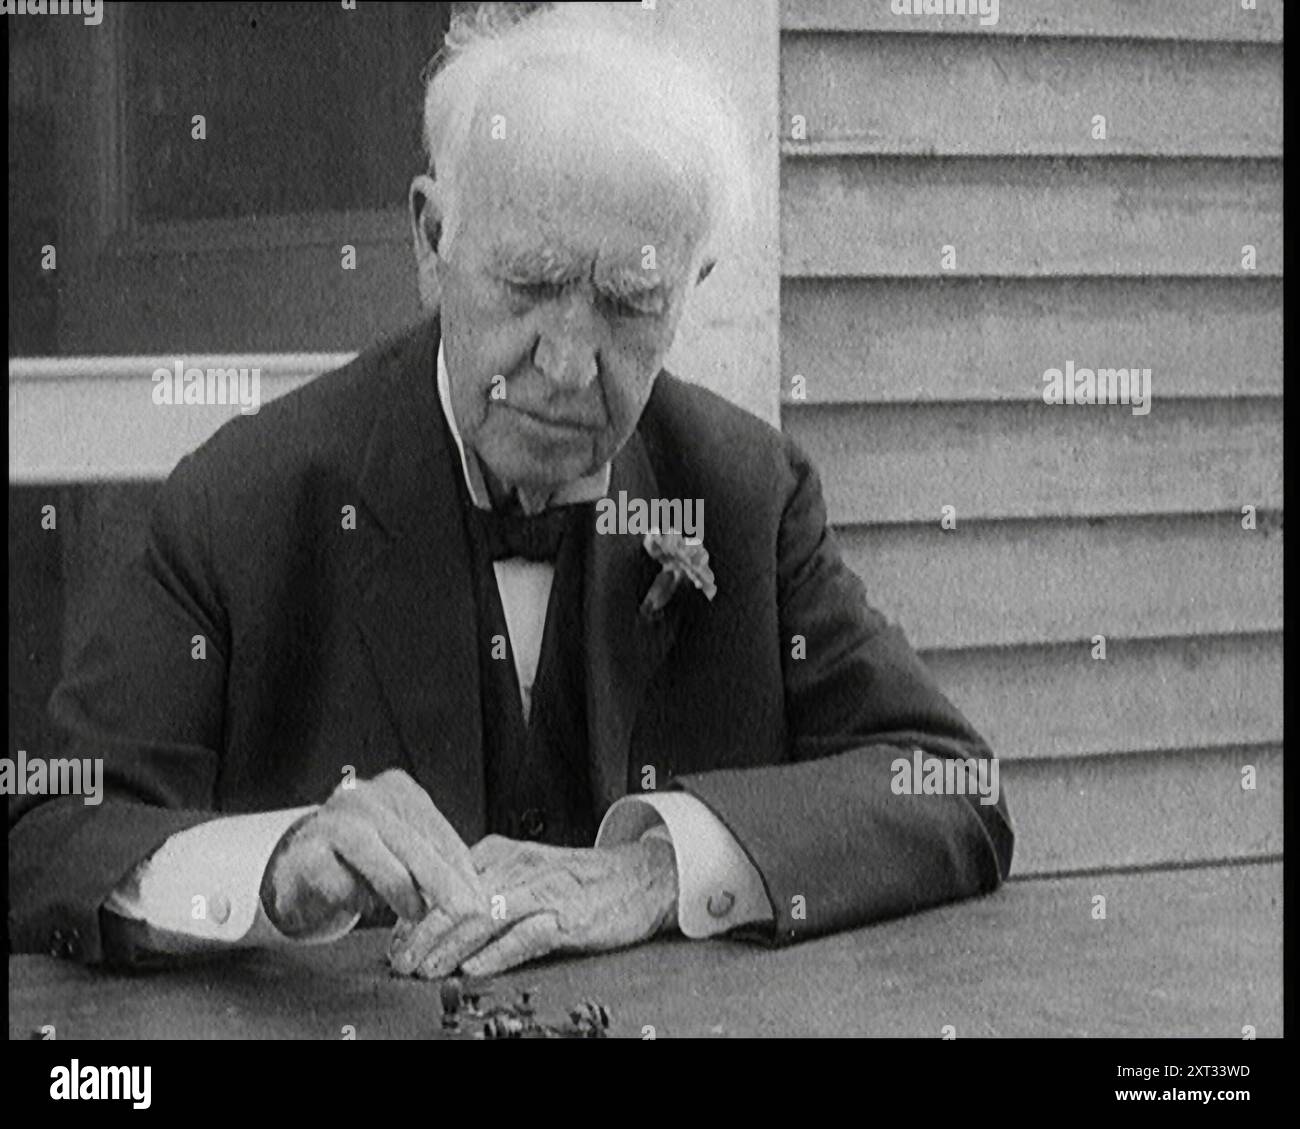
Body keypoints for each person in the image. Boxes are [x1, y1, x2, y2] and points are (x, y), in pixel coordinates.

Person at [9, 4, 1012, 977]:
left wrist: (662, 868)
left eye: (628, 302)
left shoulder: (746, 492)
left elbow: (950, 785)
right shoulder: (247, 501)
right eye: (528, 284)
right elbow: (54, 837)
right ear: (429, 239)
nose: (571, 365)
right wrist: (273, 866)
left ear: (691, 289)